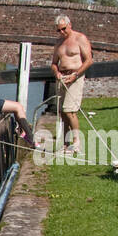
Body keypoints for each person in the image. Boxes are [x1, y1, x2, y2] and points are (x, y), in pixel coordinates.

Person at [49, 15, 93, 155]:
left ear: (70, 25)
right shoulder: (58, 43)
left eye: (63, 29)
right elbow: (54, 63)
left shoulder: (80, 38)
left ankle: (76, 142)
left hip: (76, 76)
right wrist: (56, 73)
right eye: (59, 30)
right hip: (62, 77)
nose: (62, 32)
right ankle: (65, 144)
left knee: (70, 110)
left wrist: (75, 75)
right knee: (62, 112)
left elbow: (88, 60)